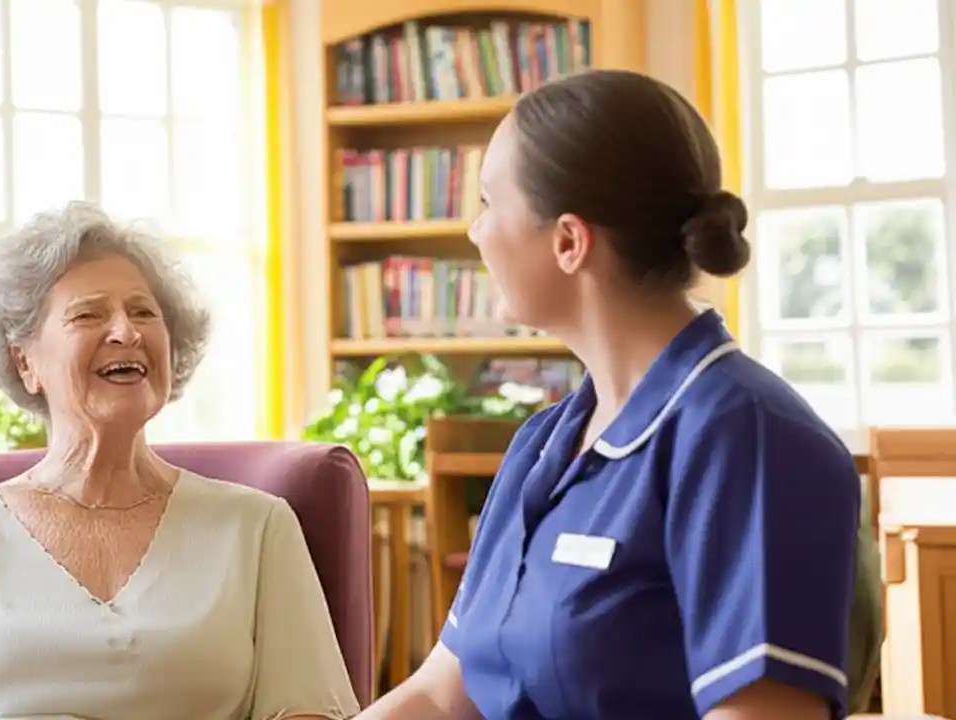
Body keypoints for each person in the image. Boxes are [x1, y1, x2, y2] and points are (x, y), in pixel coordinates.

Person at [358, 70, 864, 720]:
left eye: (488, 204)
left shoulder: (750, 438)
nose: (474, 233)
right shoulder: (542, 447)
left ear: (569, 241)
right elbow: (439, 694)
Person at [0, 202, 359, 720]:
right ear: (26, 362)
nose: (126, 332)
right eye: (89, 314)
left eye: (143, 312)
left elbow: (310, 710)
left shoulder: (257, 528)